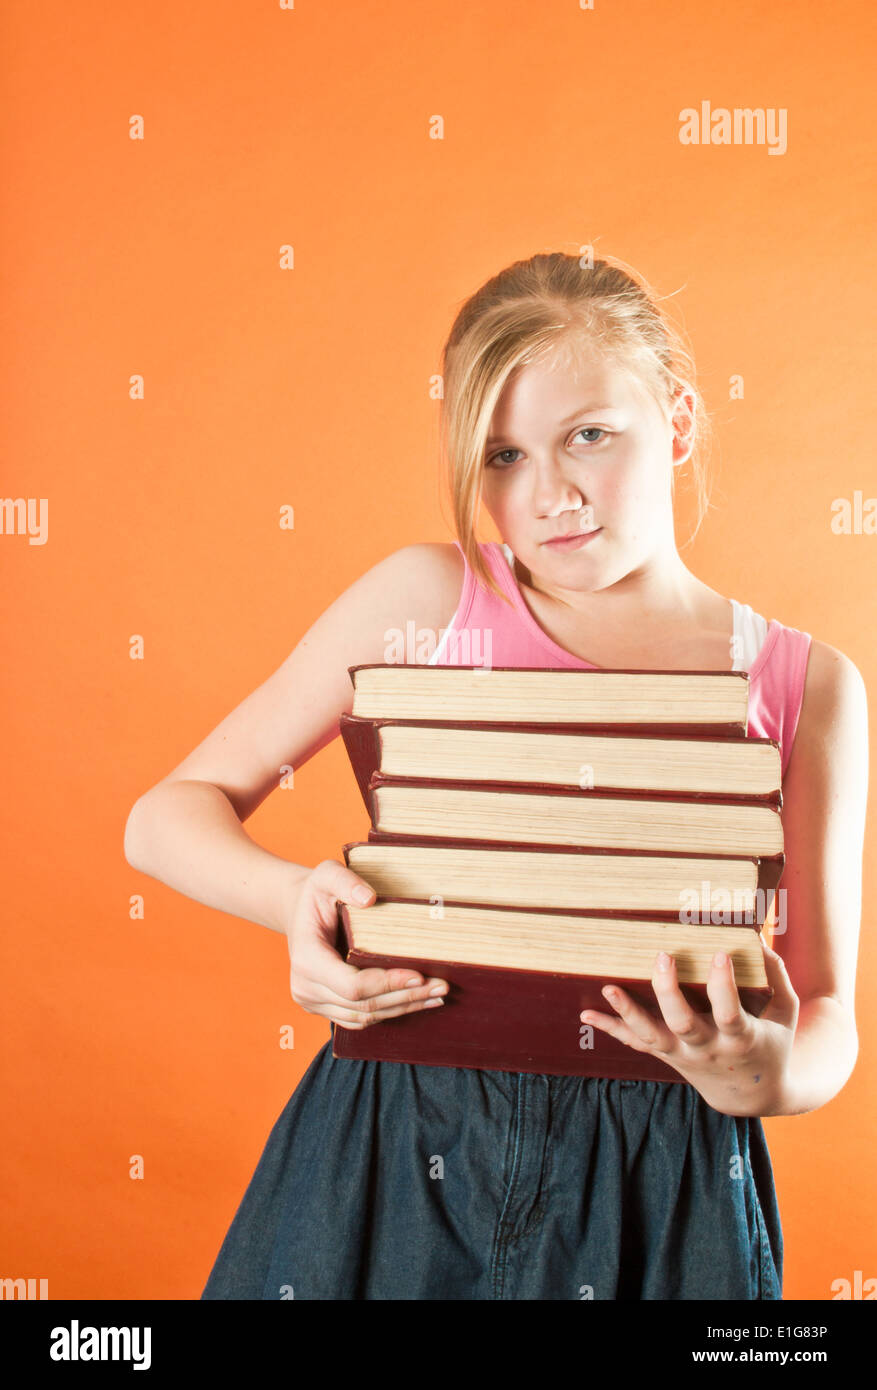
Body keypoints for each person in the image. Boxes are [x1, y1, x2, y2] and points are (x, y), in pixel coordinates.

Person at [124, 252, 866, 1300]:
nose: (549, 495)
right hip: (394, 1141)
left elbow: (826, 1008)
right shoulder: (424, 601)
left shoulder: (806, 684)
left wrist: (772, 1074)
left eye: (590, 437)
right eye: (503, 455)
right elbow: (162, 818)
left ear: (681, 421)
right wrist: (298, 899)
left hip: (664, 1172)